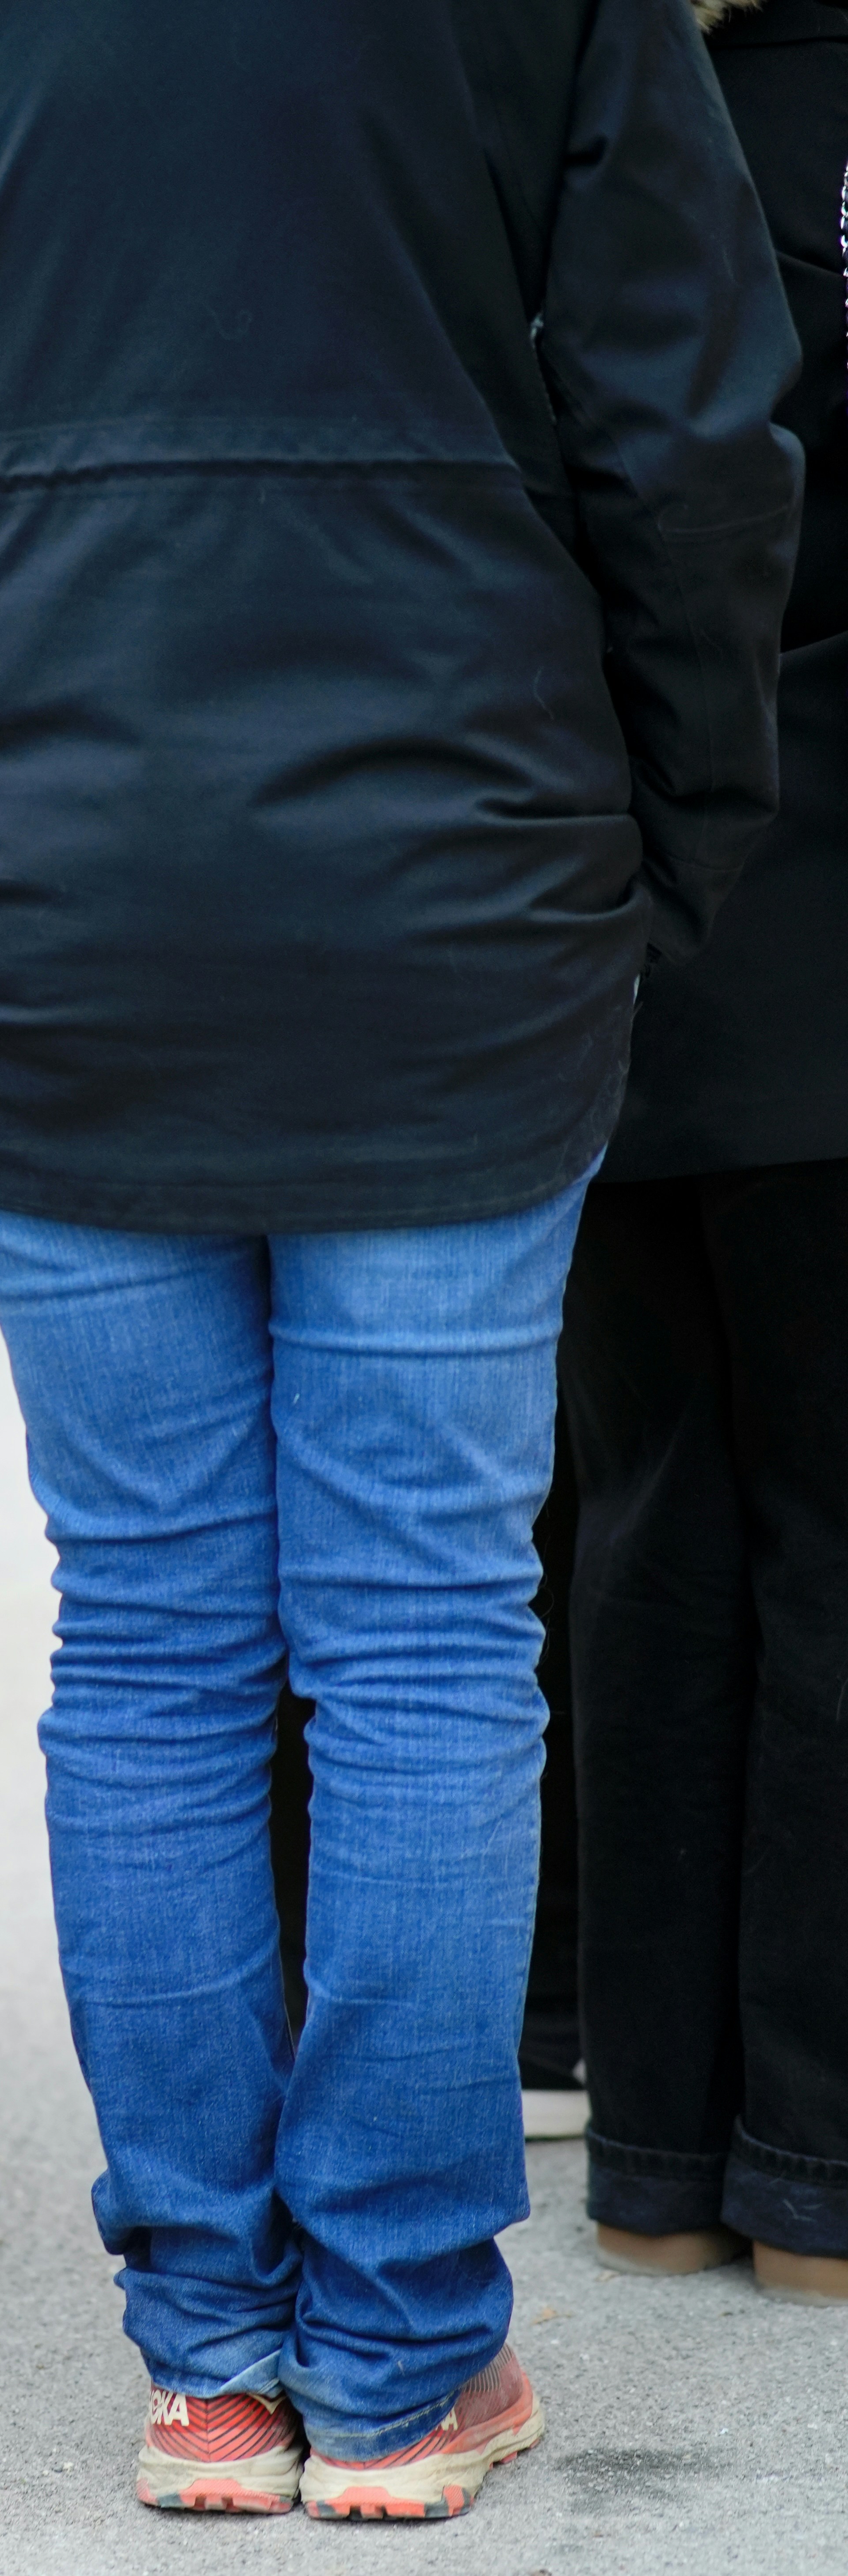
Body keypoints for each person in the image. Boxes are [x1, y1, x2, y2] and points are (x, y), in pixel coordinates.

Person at [0, 0, 798, 2519]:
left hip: (51, 877)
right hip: (456, 868)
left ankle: (214, 2357)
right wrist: (674, 831)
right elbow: (686, 433)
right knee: (424, 1628)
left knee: (154, 1634)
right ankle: (410, 2358)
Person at [561, 0, 848, 2301]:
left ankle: (658, 2148)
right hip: (795, 870)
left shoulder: (602, 92)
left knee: (651, 1520)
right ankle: (818, 2156)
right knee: (829, 1537)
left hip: (626, 909)